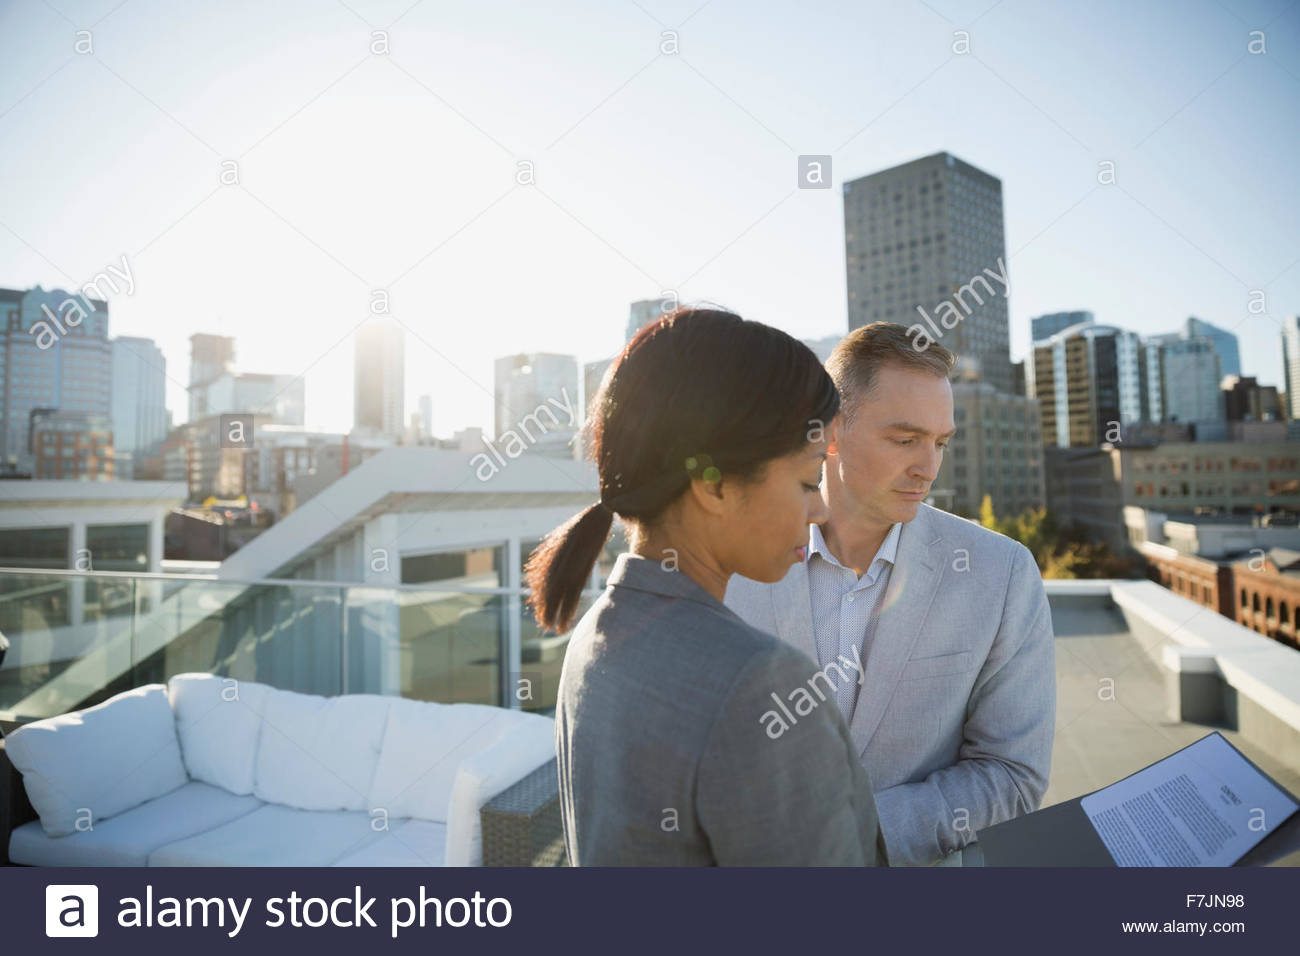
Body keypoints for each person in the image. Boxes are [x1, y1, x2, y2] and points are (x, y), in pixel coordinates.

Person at [531, 307, 888, 866]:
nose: (819, 509)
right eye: (806, 478)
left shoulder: (593, 636)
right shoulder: (758, 684)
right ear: (713, 485)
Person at [725, 321, 1055, 866]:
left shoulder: (1002, 574)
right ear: (827, 433)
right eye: (905, 440)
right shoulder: (730, 565)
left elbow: (1013, 776)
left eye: (940, 443)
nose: (928, 468)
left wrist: (854, 838)